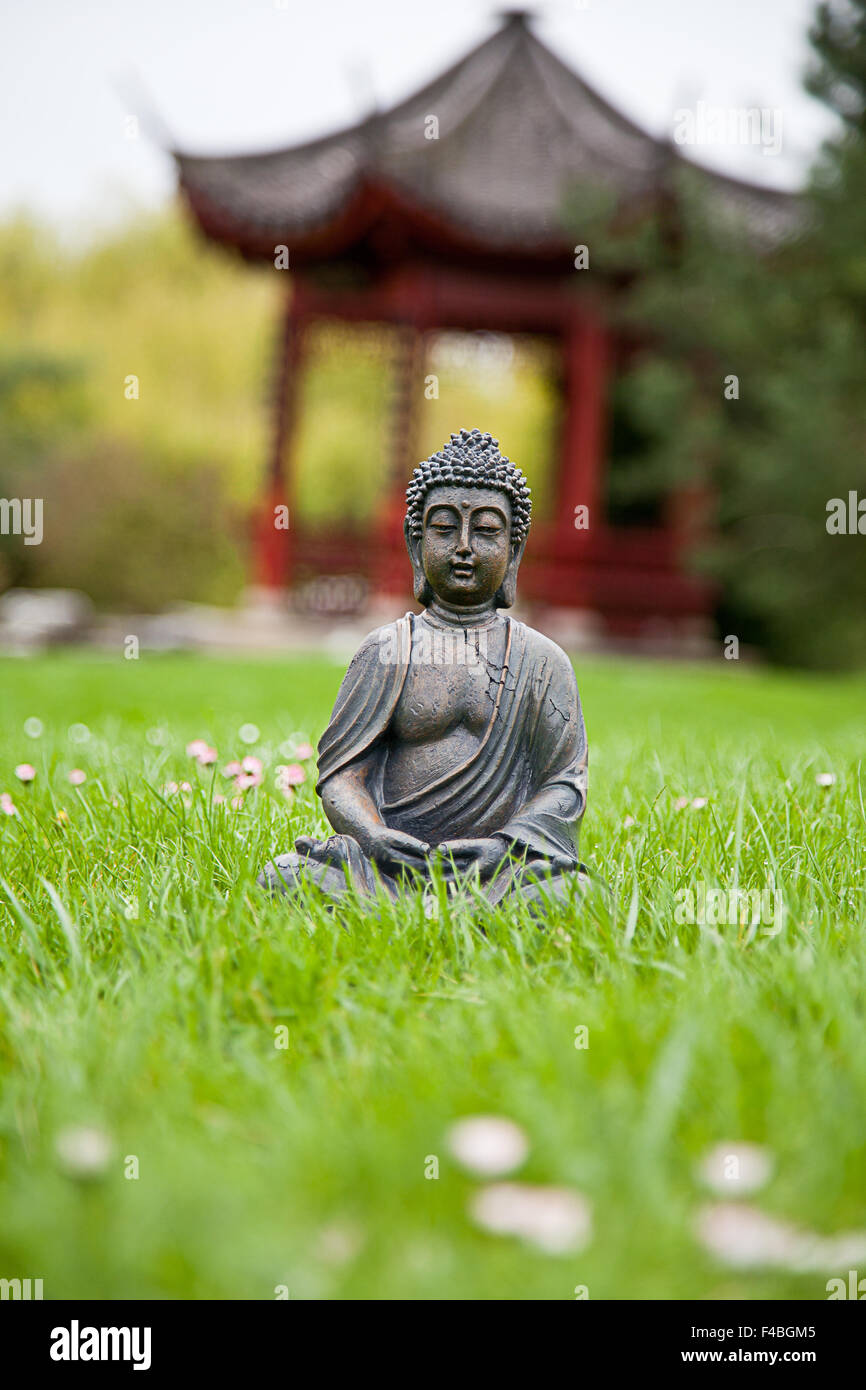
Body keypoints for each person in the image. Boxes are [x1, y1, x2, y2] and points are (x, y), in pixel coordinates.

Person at [259, 427, 588, 908]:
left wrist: (503, 848)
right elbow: (341, 776)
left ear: (514, 552)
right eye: (443, 528)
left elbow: (564, 784)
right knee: (287, 876)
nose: (464, 546)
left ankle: (454, 907)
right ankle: (411, 905)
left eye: (488, 531)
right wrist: (371, 835)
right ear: (416, 546)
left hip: (494, 874)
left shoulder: (542, 661)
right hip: (391, 868)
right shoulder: (388, 650)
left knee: (571, 895)